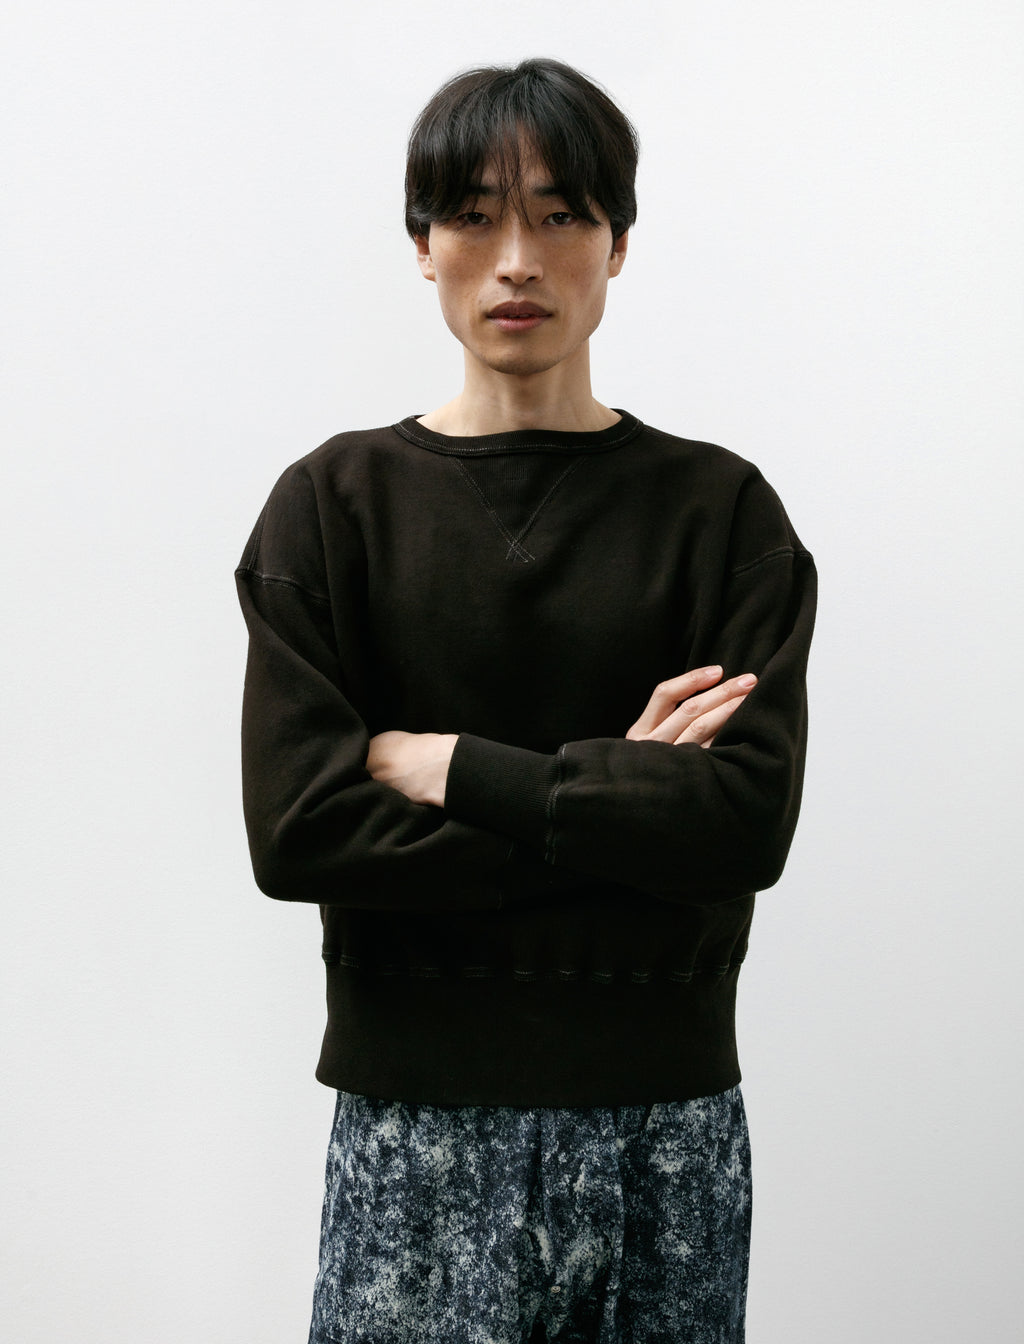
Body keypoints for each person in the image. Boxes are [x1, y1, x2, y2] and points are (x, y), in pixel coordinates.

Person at [236, 57, 815, 1344]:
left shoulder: (720, 514)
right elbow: (299, 833)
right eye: (472, 216)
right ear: (422, 244)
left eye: (560, 216)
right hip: (413, 1135)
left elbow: (740, 826)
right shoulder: (331, 509)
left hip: (665, 1136)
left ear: (618, 246)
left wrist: (448, 765)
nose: (516, 260)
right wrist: (617, 802)